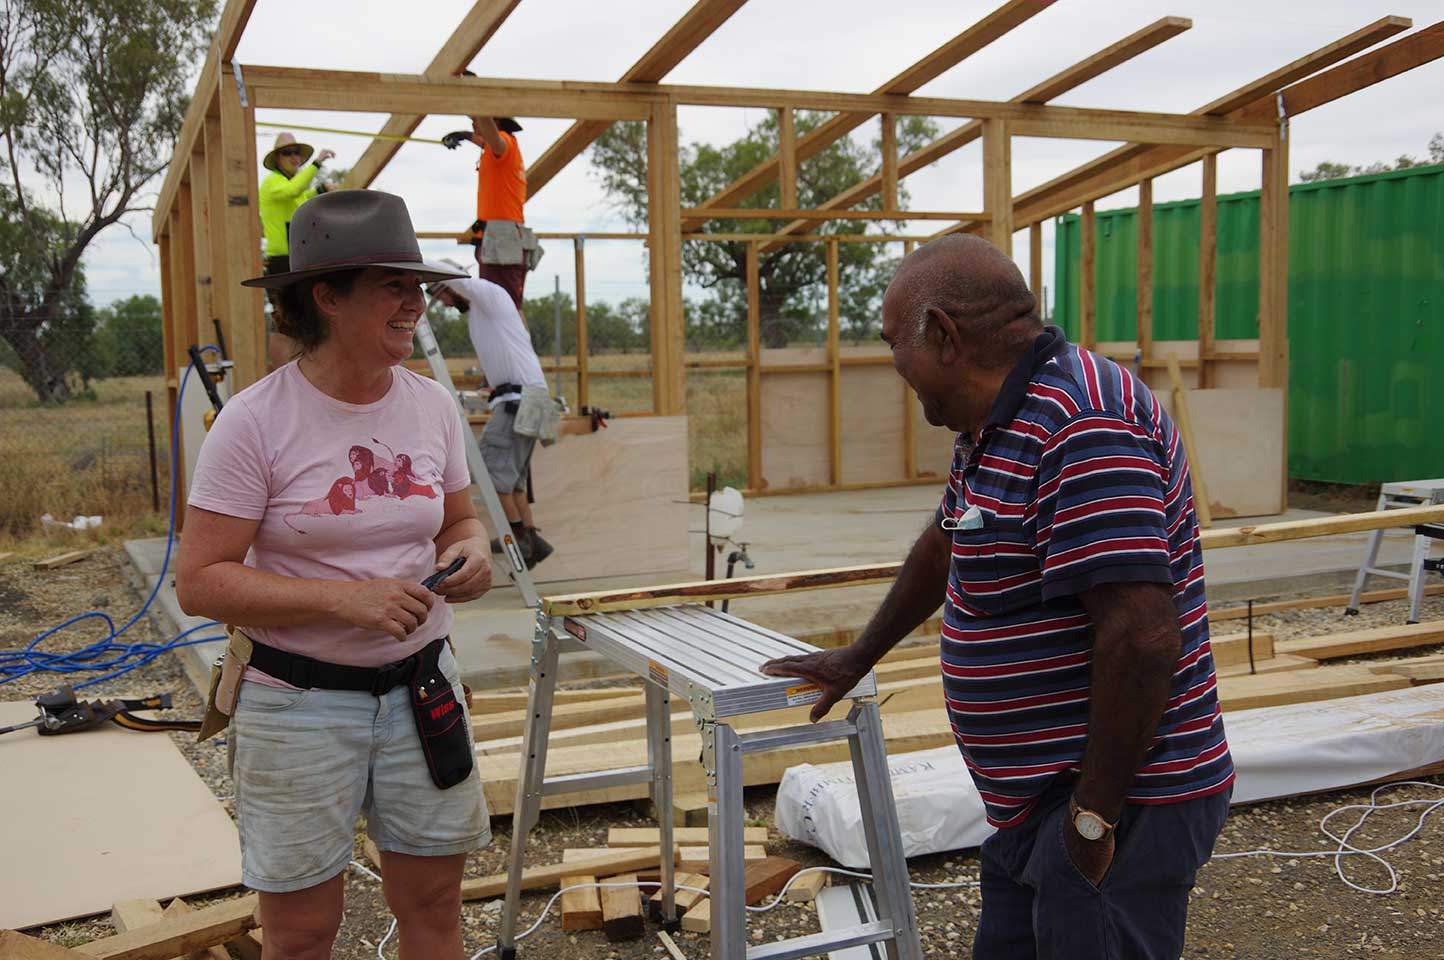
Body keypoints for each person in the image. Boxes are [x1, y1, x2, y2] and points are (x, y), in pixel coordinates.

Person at [762, 235, 1233, 960]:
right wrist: (859, 655)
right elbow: (949, 540)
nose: (894, 365)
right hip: (1038, 804)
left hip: (1117, 805)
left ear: (943, 335)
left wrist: (1092, 822)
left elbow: (1142, 637)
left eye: (894, 344)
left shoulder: (1082, 424)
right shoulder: (998, 420)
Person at [175, 189, 492, 960]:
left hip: (423, 690)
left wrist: (472, 551)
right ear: (327, 296)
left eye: (417, 286)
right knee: (302, 932)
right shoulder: (255, 422)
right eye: (394, 286)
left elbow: (459, 520)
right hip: (299, 705)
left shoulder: (431, 406)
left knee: (434, 906)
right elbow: (200, 580)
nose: (416, 303)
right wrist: (343, 601)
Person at [429, 261, 555, 568]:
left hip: (518, 401)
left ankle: (518, 538)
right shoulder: (482, 313)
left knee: (490, 472)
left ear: (452, 284)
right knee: (513, 481)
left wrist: (417, 266)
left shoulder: (488, 294)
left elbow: (459, 279)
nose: (444, 304)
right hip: (526, 399)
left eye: (442, 295)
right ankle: (531, 539)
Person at [259, 132, 337, 370]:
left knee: (298, 318)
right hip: (280, 260)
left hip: (294, 259)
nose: (294, 157)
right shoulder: (273, 182)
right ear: (277, 158)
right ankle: (283, 376)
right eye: (287, 153)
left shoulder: (288, 183)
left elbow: (301, 198)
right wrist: (317, 164)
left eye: (297, 153)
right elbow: (294, 191)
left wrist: (320, 189)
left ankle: (297, 372)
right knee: (283, 321)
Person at [441, 116, 537, 308]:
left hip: (502, 239)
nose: (473, 124)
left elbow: (492, 137)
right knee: (503, 305)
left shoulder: (504, 143)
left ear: (495, 122)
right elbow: (486, 141)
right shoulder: (498, 149)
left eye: (476, 120)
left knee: (505, 307)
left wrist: (481, 111)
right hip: (499, 239)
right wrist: (464, 135)